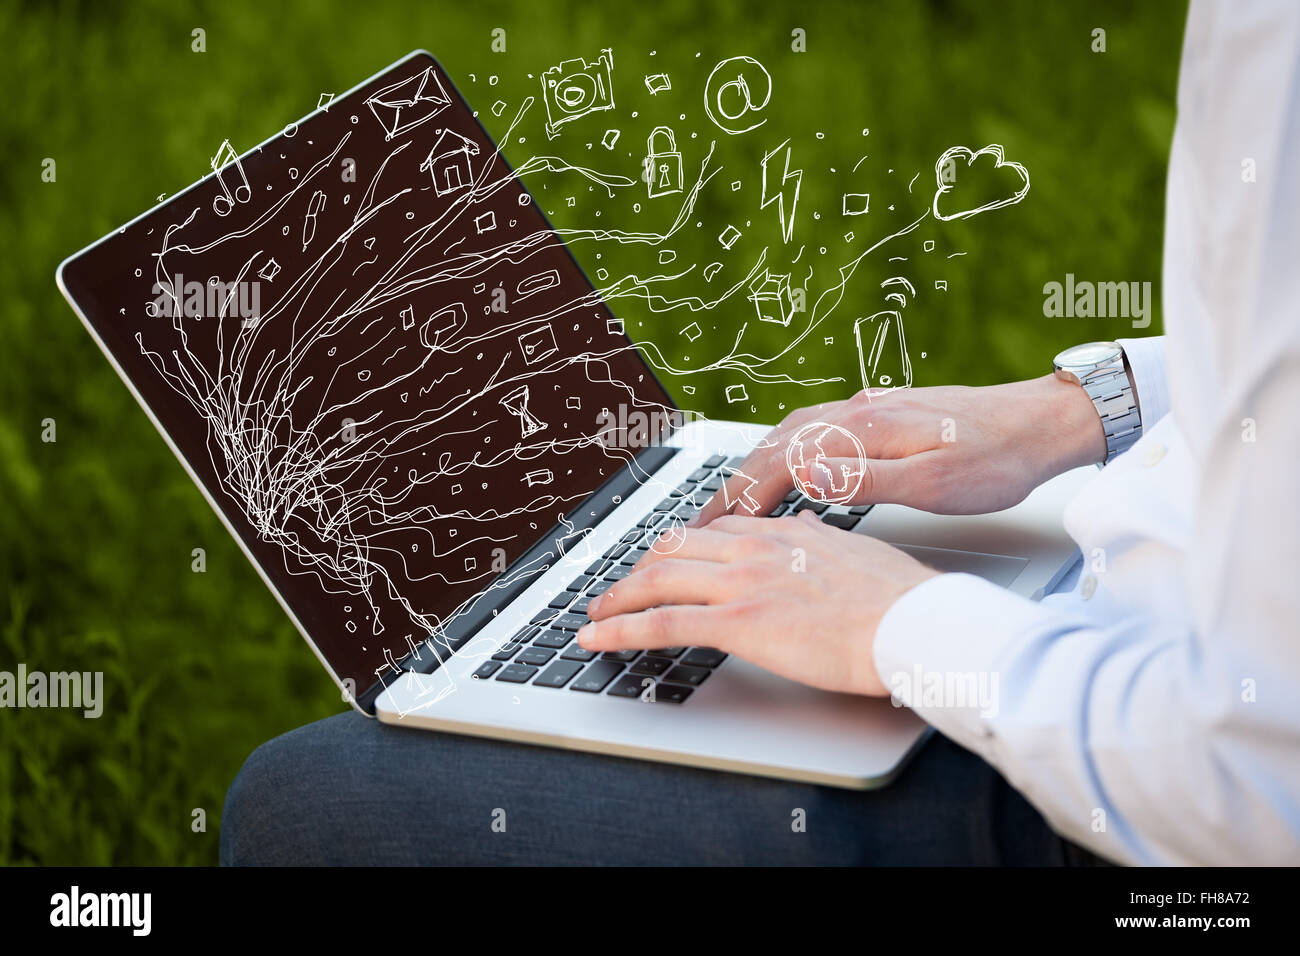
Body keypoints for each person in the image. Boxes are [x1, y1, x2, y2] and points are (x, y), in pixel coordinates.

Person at [221, 0, 1300, 865]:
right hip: (1133, 601)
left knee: (305, 802)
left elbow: (1253, 795)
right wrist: (1094, 405)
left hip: (1117, 796)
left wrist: (898, 622)